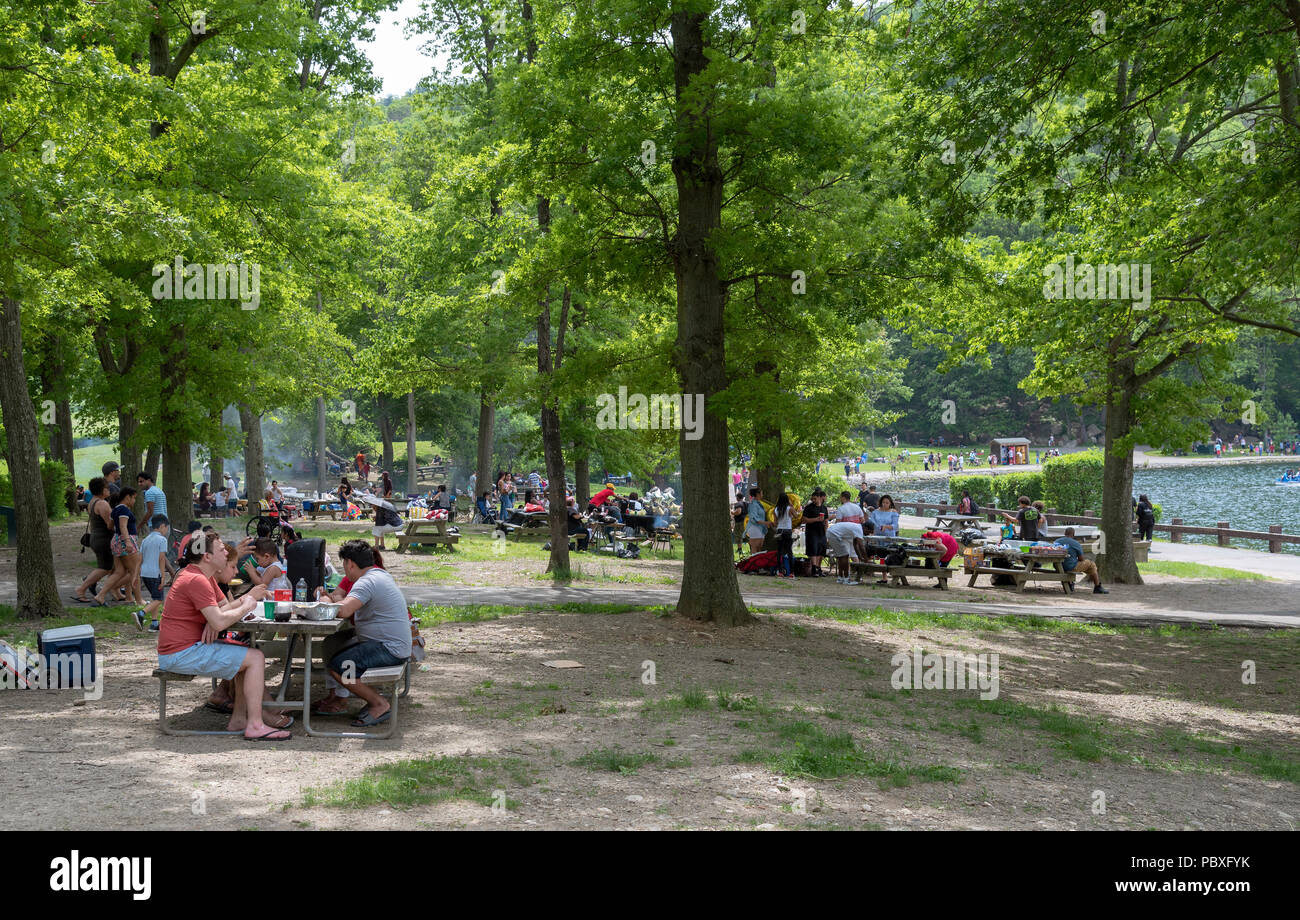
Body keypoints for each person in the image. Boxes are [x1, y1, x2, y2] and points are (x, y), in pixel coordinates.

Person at [156, 535, 290, 740]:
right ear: (207, 556)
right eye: (221, 550)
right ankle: (255, 725)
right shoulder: (196, 579)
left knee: (246, 653)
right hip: (180, 653)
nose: (227, 552)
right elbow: (220, 621)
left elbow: (224, 609)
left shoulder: (203, 576)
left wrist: (247, 598)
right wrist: (245, 605)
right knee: (255, 658)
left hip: (187, 648)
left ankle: (239, 719)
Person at [309, 541, 411, 726]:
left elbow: (344, 611)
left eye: (344, 565)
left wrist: (325, 600)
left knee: (340, 666)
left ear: (350, 563)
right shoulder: (379, 575)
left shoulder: (367, 581)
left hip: (389, 649)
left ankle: (378, 703)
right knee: (334, 645)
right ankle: (345, 697)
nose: (345, 570)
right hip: (390, 644)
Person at [96, 486, 142, 609]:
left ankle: (101, 595)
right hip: (125, 540)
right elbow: (123, 526)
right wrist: (127, 541)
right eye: (134, 498)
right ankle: (139, 600)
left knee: (120, 571)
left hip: (116, 540)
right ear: (127, 497)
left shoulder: (115, 510)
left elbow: (110, 526)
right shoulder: (124, 510)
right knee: (135, 571)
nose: (134, 501)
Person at [73, 478, 115, 603]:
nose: (109, 489)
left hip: (96, 537)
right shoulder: (102, 503)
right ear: (101, 489)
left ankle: (111, 589)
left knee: (108, 566)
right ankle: (81, 588)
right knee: (105, 567)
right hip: (103, 539)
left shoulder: (92, 501)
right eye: (107, 487)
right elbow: (110, 524)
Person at [132, 514, 173, 630]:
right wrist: (163, 576)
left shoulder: (145, 539)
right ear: (162, 526)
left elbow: (139, 559)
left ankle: (154, 623)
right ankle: (141, 613)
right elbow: (161, 559)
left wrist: (135, 576)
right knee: (159, 599)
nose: (166, 531)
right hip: (156, 574)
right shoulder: (162, 540)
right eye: (166, 528)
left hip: (145, 573)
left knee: (155, 598)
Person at [1054, 527, 1108, 594]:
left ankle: (1070, 583)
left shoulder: (1057, 541)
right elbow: (1081, 559)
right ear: (1073, 534)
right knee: (1091, 564)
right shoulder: (1075, 543)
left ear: (1065, 533)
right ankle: (1097, 586)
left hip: (1058, 566)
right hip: (1070, 567)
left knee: (1075, 564)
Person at [826, 518, 867, 584]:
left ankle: (840, 578)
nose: (869, 533)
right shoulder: (859, 529)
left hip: (831, 532)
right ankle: (846, 579)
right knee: (845, 556)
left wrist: (860, 556)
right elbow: (861, 546)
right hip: (834, 534)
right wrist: (866, 559)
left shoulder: (856, 527)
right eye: (870, 531)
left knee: (840, 557)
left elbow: (855, 544)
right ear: (865, 528)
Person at [801, 490, 828, 575]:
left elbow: (826, 520)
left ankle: (819, 568)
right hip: (812, 532)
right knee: (813, 550)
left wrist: (826, 532)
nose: (813, 500)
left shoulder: (824, 508)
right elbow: (804, 520)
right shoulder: (809, 507)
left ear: (820, 498)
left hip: (822, 532)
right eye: (812, 499)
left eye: (815, 498)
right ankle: (813, 569)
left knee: (821, 550)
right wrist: (816, 519)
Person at [773, 492, 795, 578]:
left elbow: (775, 523)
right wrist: (792, 505)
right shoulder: (789, 508)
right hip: (787, 530)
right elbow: (796, 516)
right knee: (789, 551)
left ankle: (780, 571)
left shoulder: (776, 509)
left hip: (779, 531)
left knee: (780, 551)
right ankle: (791, 572)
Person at [745, 487, 769, 553]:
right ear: (757, 494)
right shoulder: (753, 504)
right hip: (755, 528)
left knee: (759, 549)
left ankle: (757, 562)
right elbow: (754, 519)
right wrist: (766, 523)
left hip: (760, 528)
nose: (762, 495)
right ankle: (753, 562)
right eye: (761, 493)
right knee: (755, 549)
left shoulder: (759, 504)